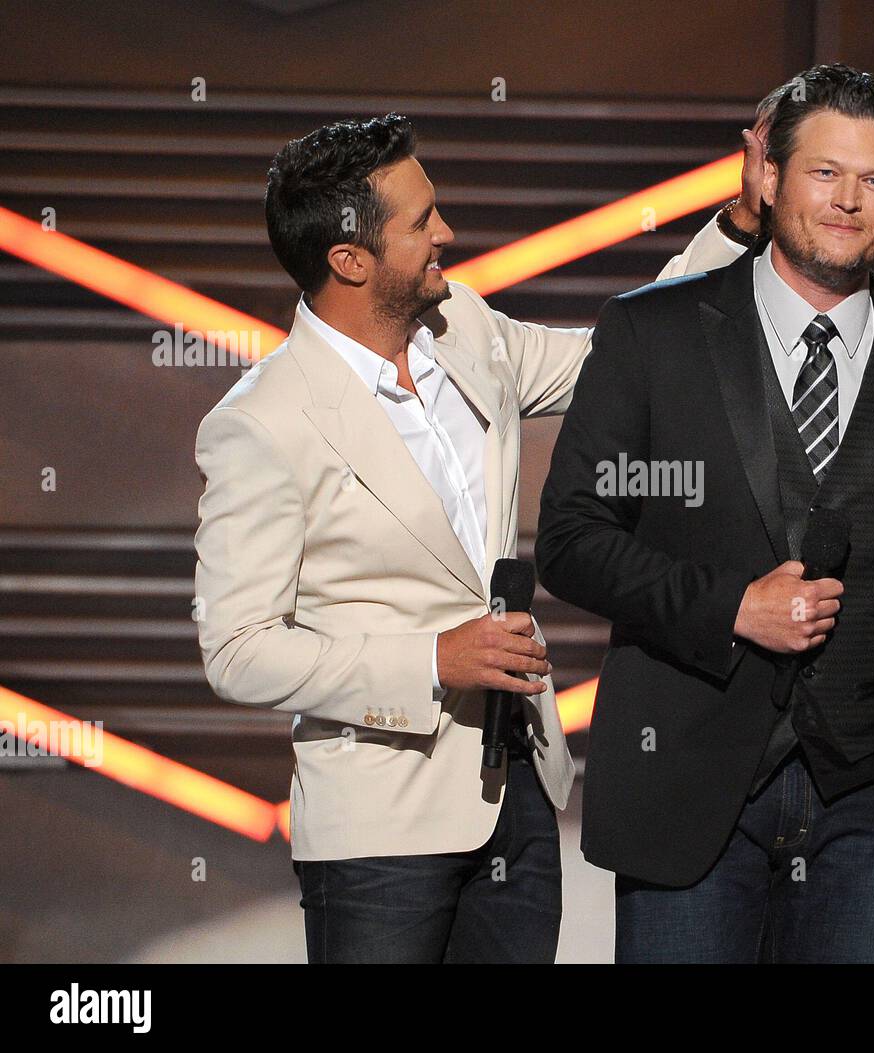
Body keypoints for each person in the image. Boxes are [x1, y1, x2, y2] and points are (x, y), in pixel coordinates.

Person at [535, 64, 874, 963]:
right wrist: (730, 606)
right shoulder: (651, 332)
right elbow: (573, 539)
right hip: (691, 784)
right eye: (825, 172)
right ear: (769, 178)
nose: (848, 202)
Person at [192, 112, 748, 963]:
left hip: (516, 794)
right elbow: (237, 649)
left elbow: (621, 355)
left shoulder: (468, 331)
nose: (446, 231)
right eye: (421, 222)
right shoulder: (262, 423)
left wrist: (737, 228)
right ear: (350, 259)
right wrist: (429, 661)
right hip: (377, 832)